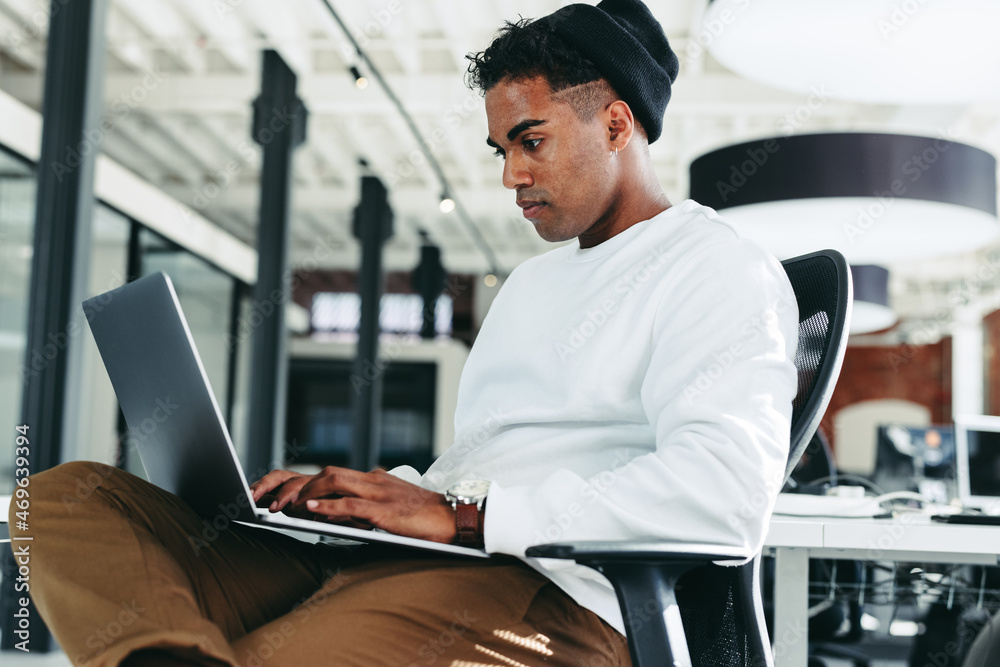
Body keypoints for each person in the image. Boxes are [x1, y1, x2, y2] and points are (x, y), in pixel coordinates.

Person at [10, 1, 798, 665]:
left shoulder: (717, 269)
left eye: (531, 140)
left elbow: (722, 497)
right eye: (501, 151)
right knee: (57, 499)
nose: (510, 176)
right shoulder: (531, 285)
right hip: (409, 560)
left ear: (617, 124)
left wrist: (464, 514)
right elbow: (485, 460)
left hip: (549, 594)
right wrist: (374, 494)